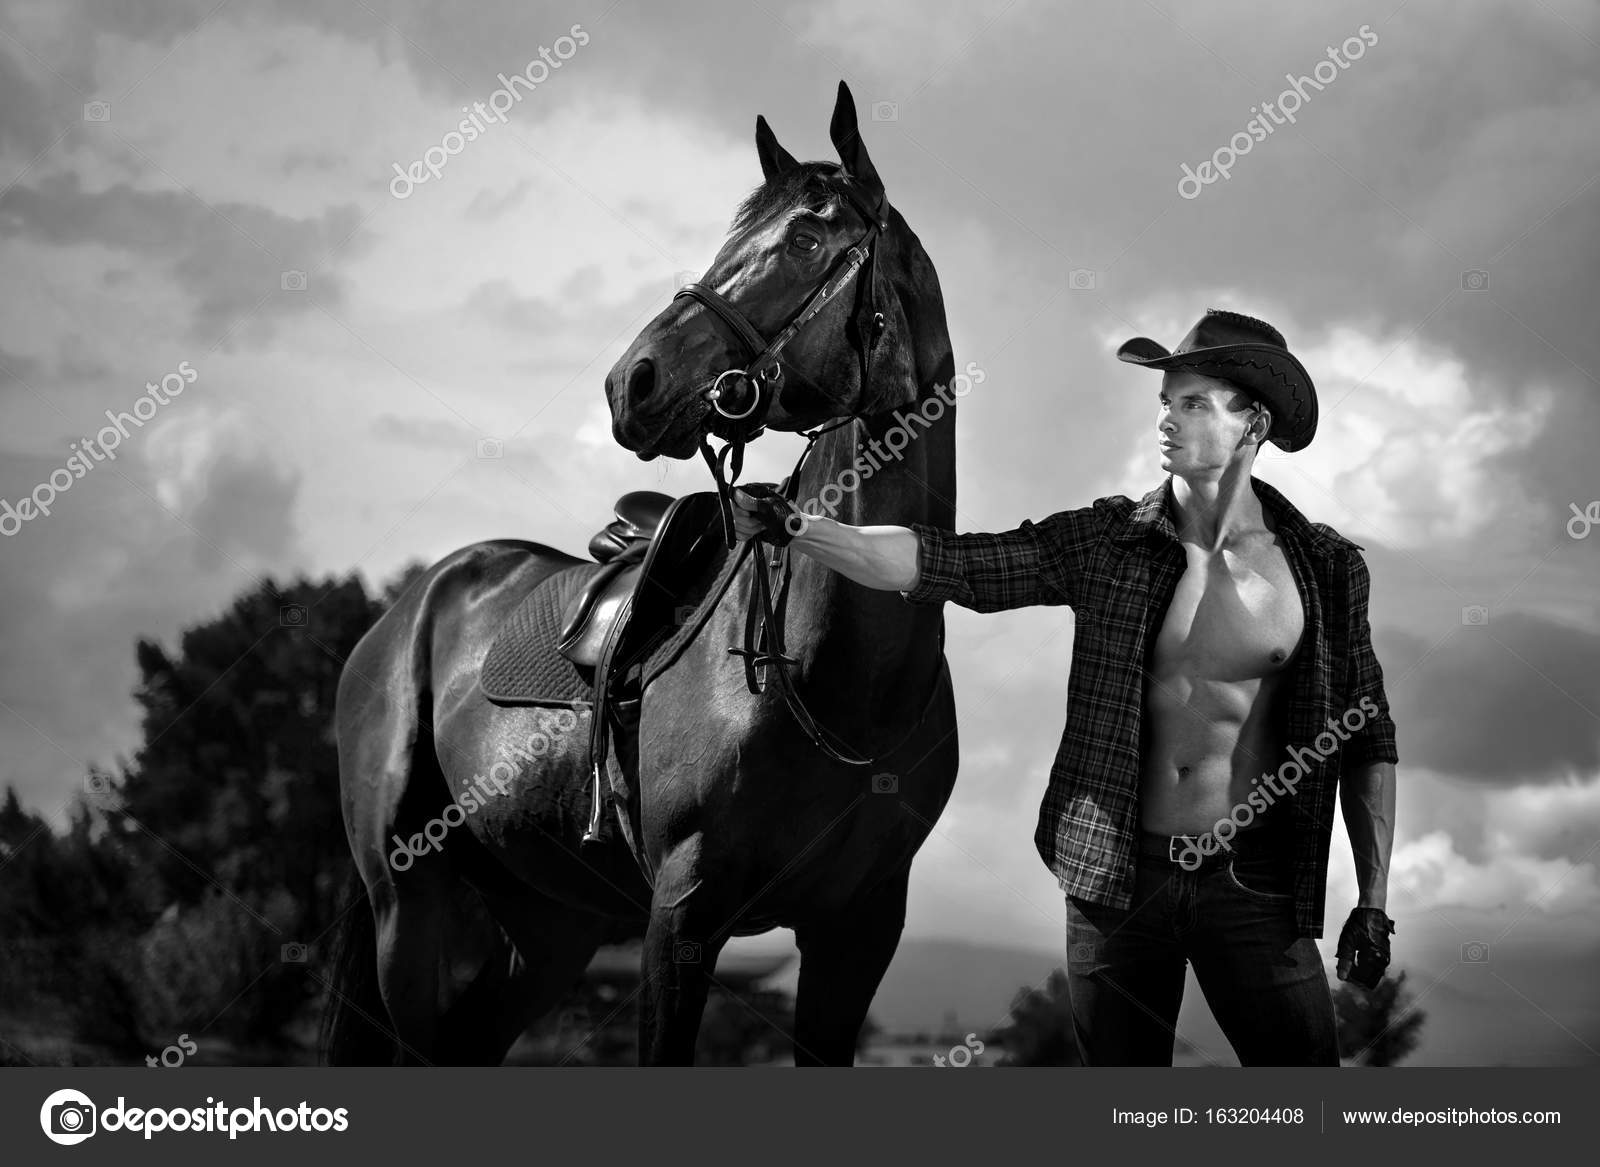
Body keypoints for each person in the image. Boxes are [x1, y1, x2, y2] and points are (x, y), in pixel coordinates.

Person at [731, 308, 1399, 1066]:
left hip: (1253, 889)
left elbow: (1367, 736)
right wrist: (803, 529)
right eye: (1165, 401)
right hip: (1115, 884)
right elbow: (953, 563)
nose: (1166, 420)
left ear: (1253, 425)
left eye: (1193, 402)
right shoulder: (1105, 541)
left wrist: (1373, 902)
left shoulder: (1326, 568)